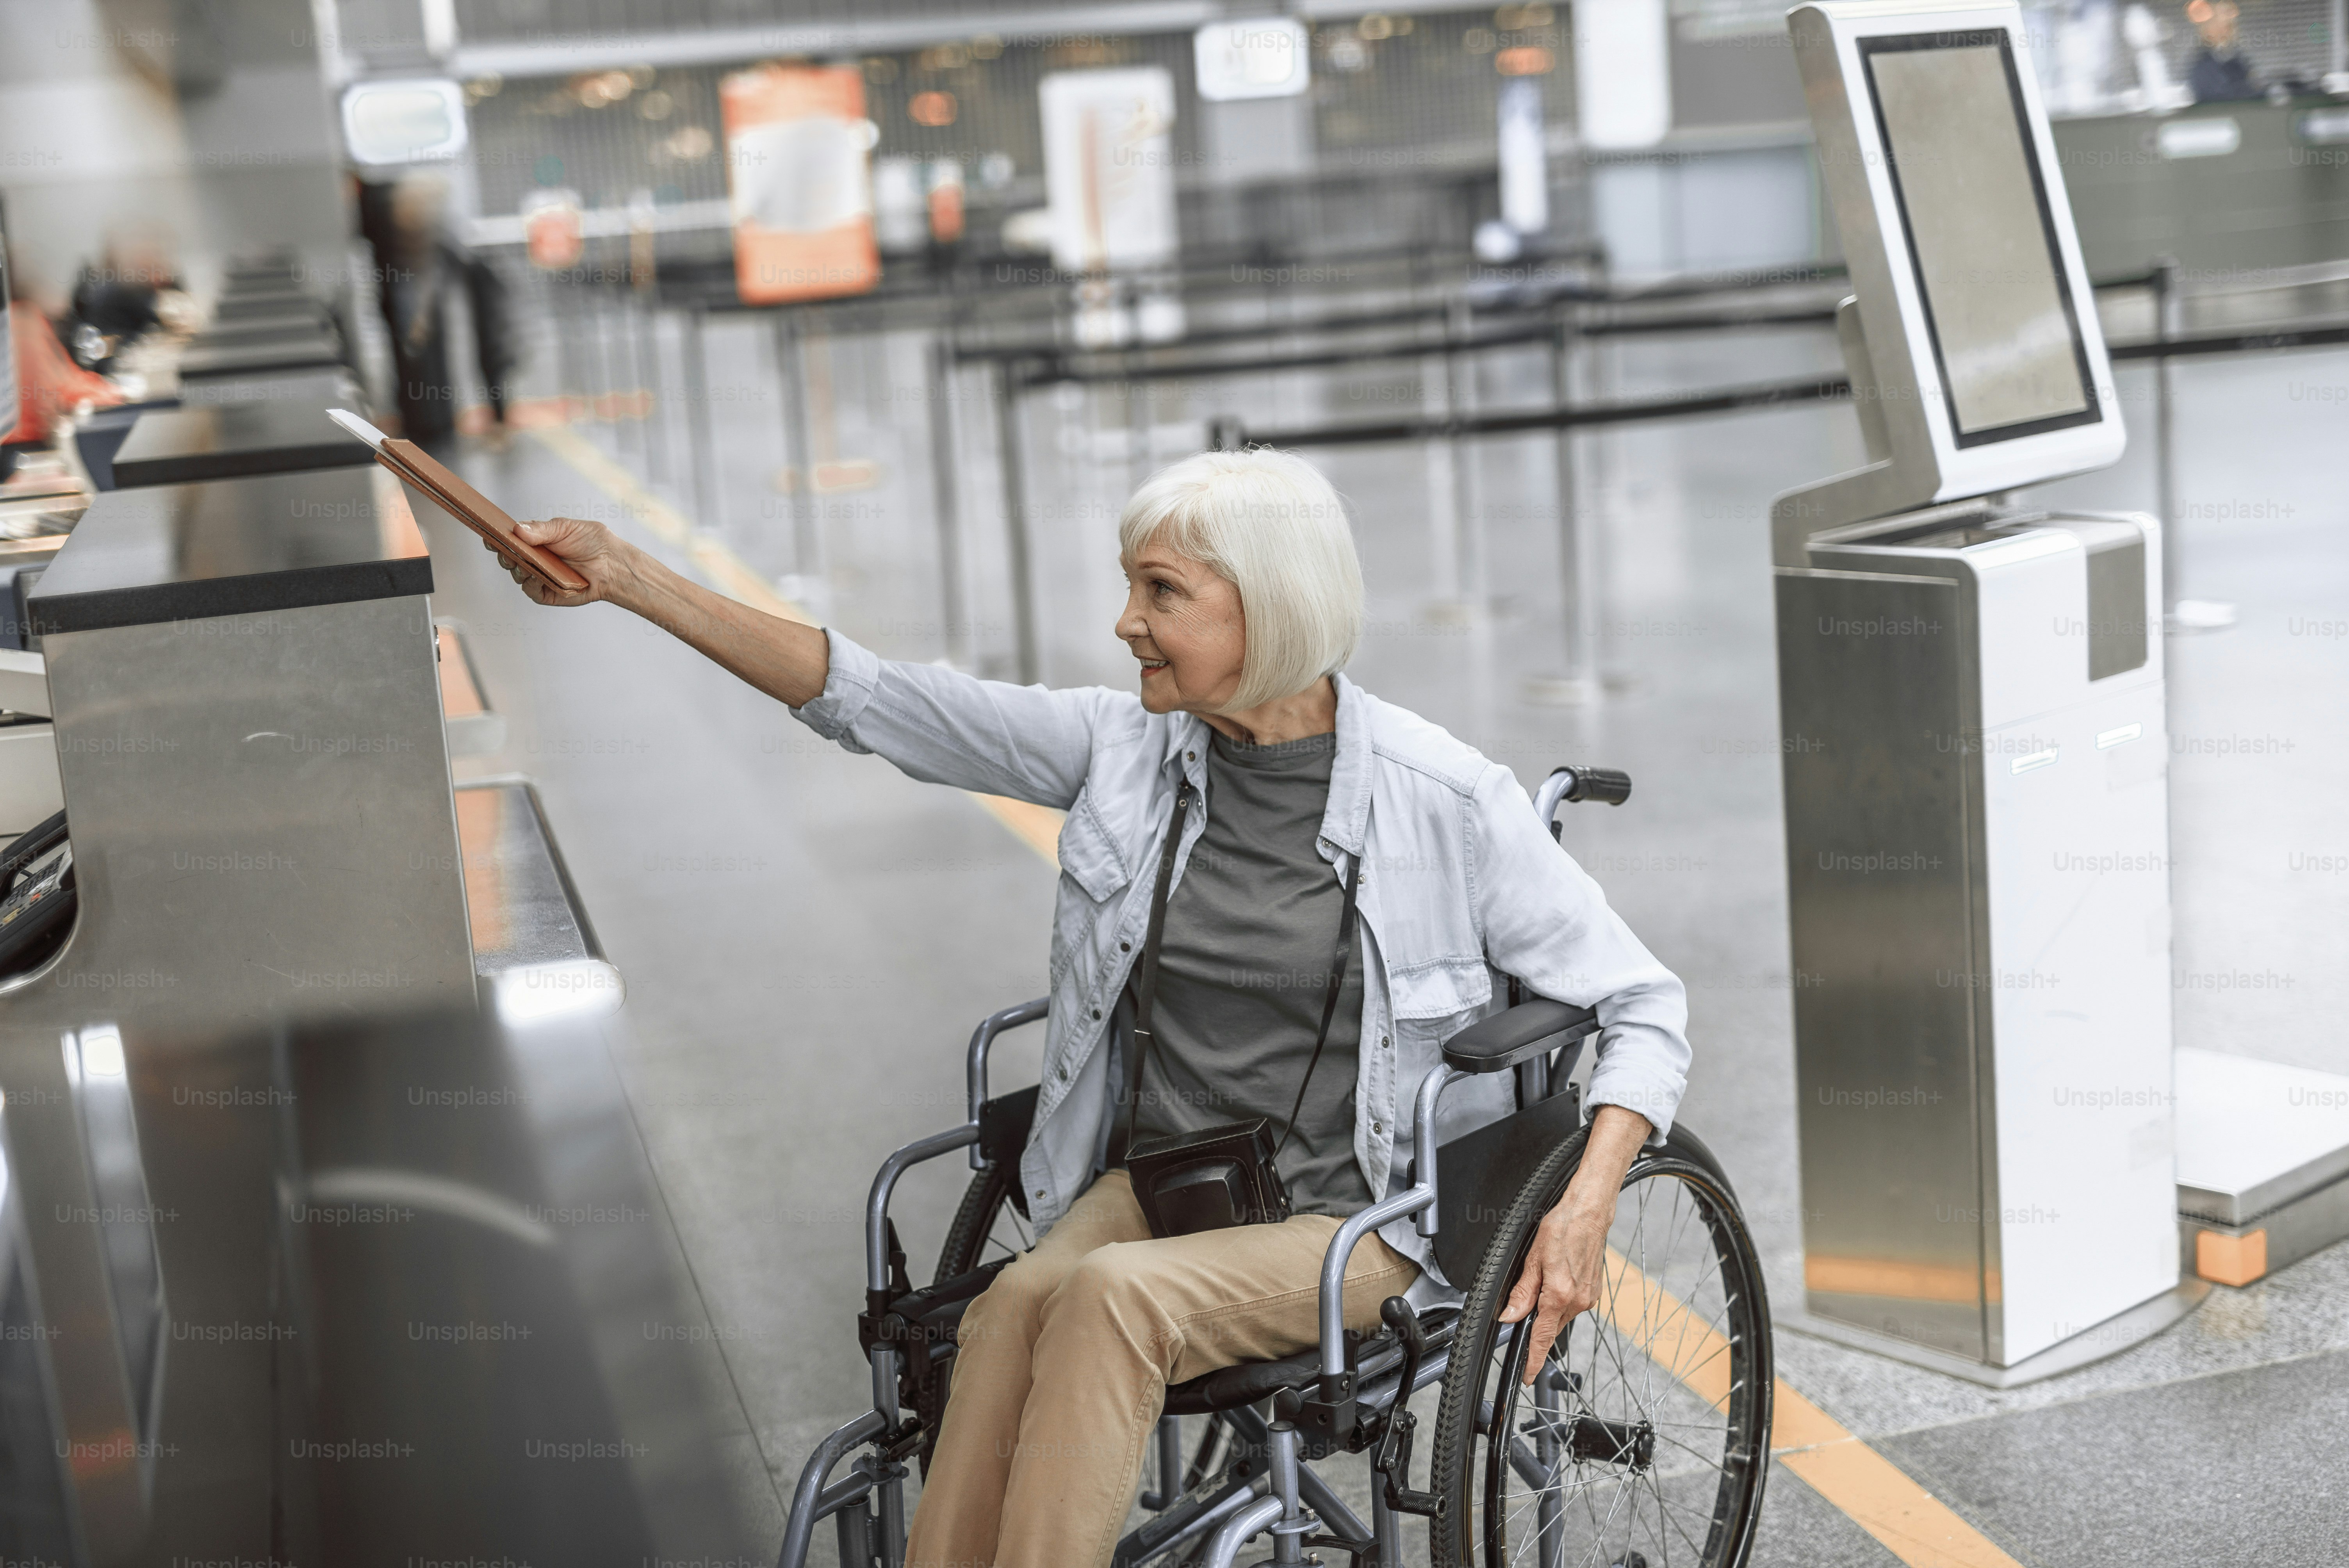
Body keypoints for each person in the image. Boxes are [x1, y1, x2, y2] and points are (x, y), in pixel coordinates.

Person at [483, 449, 1691, 1568]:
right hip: (1169, 1183)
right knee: (1011, 1303)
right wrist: (632, 579)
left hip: (1356, 1224)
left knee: (1109, 1301)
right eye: (1131, 589)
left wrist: (1582, 1207)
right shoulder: (1123, 751)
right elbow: (872, 697)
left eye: (1161, 592)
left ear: (1264, 610)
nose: (1126, 623)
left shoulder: (1444, 800)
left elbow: (1642, 1001)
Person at [356, 173, 520, 446]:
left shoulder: (437, 242)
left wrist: (419, 320)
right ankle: (495, 424)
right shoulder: (425, 240)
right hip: (482, 323)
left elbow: (427, 283)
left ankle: (499, 424)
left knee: (493, 361)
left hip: (491, 326)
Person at [2185, 0, 2260, 101]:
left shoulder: (2238, 59)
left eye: (2229, 26)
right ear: (2207, 30)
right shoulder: (2201, 64)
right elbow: (2213, 95)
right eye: (2219, 26)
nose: (2226, 31)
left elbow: (2252, 87)